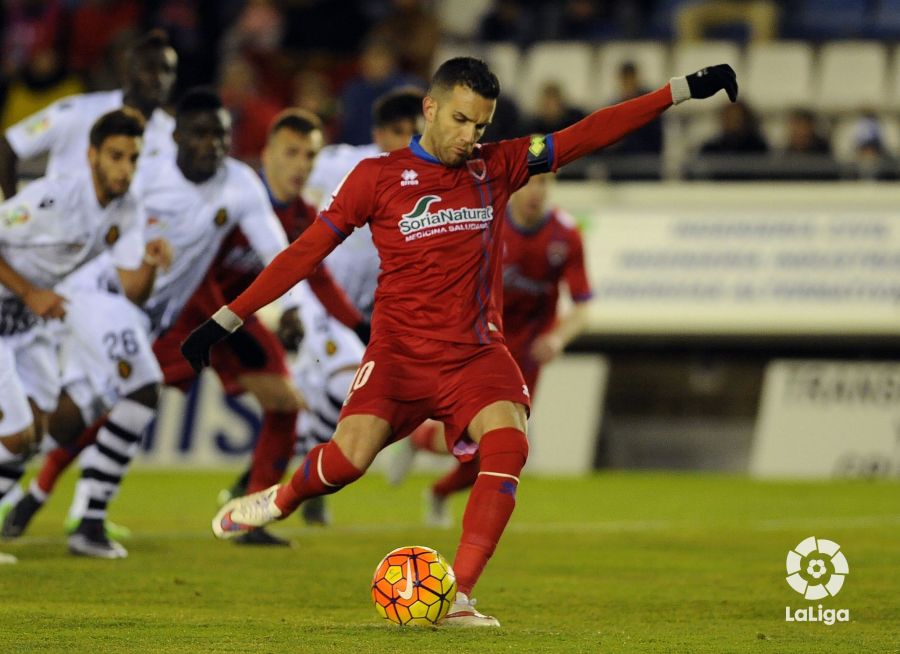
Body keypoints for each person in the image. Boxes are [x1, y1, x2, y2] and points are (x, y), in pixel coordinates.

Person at [183, 57, 738, 626]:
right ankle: (280, 498)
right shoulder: (375, 178)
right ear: (430, 108)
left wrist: (678, 91)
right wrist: (229, 318)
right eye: (460, 120)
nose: (471, 136)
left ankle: (458, 595)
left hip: (474, 354)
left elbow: (589, 133)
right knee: (349, 460)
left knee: (510, 443)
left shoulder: (498, 166)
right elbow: (303, 254)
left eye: (481, 124)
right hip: (396, 355)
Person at [2, 90, 294, 554]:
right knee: (143, 387)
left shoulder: (238, 184)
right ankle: (89, 521)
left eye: (220, 135)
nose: (211, 144)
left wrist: (287, 307)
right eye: (200, 133)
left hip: (138, 313)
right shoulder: (140, 176)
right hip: (93, 296)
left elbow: (279, 254)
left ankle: (23, 500)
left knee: (60, 424)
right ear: (176, 136)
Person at [221, 89, 425, 524]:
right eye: (399, 132)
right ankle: (296, 486)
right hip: (306, 302)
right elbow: (303, 196)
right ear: (378, 135)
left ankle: (269, 484)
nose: (408, 141)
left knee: (319, 403)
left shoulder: (431, 181)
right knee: (325, 395)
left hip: (347, 310)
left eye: (416, 133)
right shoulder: (348, 164)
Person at [0, 108, 168, 558]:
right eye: (115, 156)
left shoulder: (128, 208)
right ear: (92, 155)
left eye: (132, 158)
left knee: (37, 432)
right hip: (12, 308)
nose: (125, 169)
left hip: (25, 323)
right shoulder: (52, 199)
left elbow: (132, 291)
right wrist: (32, 292)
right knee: (15, 435)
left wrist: (150, 263)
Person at [388, 172, 594, 526]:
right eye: (531, 181)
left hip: (527, 354)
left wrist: (558, 338)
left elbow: (583, 307)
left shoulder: (565, 234)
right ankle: (420, 440)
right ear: (514, 185)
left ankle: (437, 491)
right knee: (484, 443)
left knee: (502, 451)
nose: (537, 191)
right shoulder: (485, 222)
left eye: (545, 182)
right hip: (481, 344)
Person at [0, 29, 178, 199]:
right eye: (149, 69)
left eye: (167, 70)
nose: (160, 79)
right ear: (128, 72)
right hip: (59, 227)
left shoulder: (173, 135)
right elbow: (7, 147)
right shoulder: (74, 110)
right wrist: (14, 206)